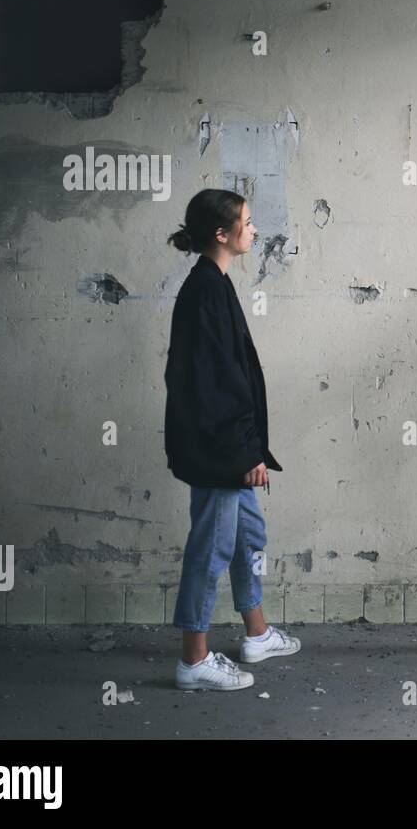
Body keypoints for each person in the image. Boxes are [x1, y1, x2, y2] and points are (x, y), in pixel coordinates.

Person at [164, 188, 300, 691]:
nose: (255, 229)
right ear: (221, 234)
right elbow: (217, 385)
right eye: (247, 221)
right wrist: (245, 453)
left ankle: (256, 635)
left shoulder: (213, 284)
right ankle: (193, 660)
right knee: (212, 547)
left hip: (223, 445)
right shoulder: (204, 289)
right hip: (219, 450)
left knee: (248, 537)